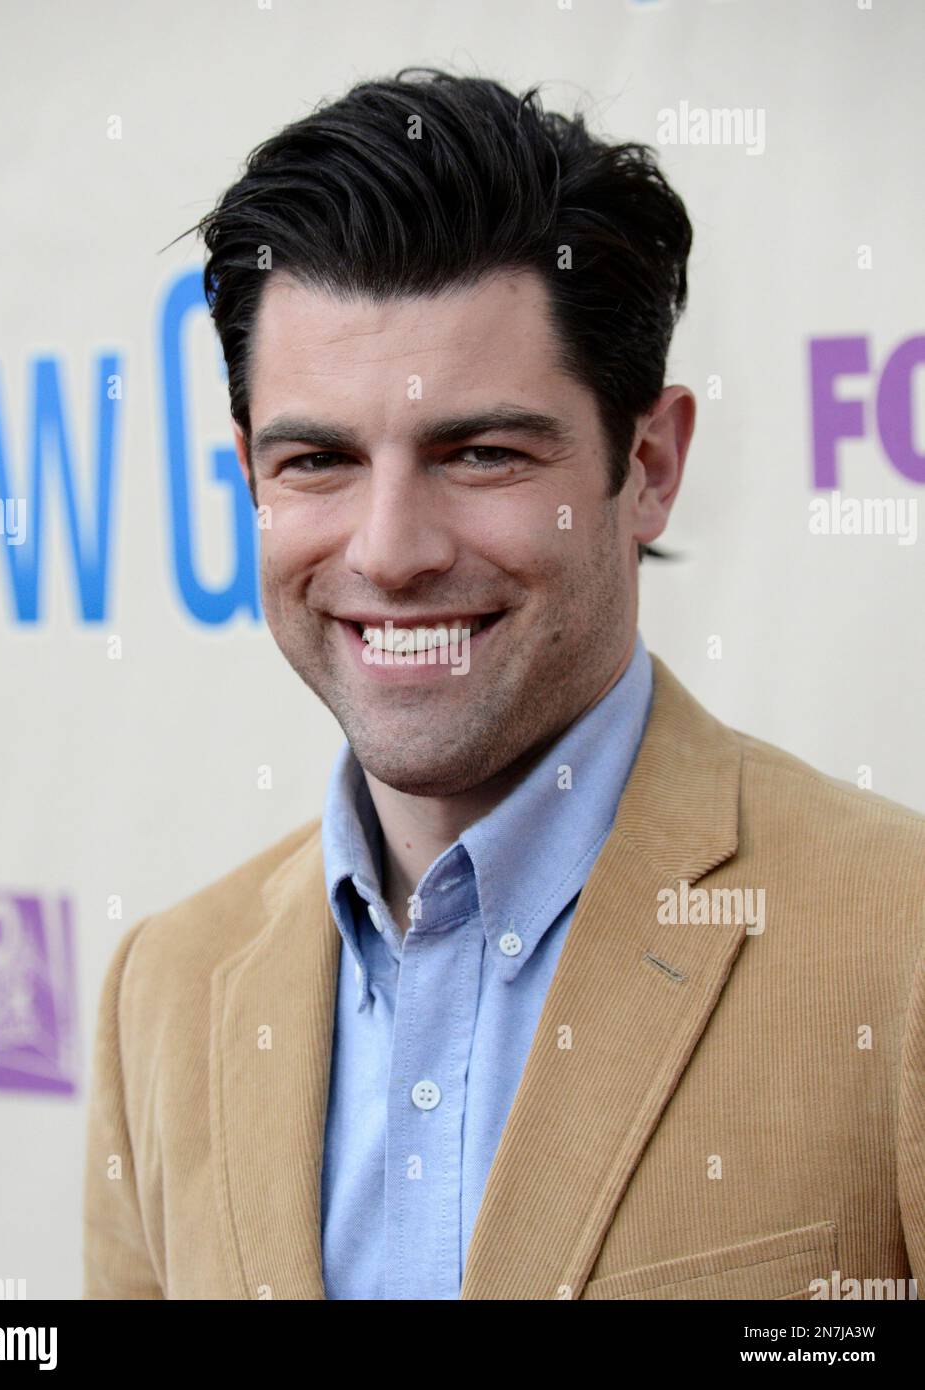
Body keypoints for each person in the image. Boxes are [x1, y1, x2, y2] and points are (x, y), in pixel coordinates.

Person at [83, 68, 925, 1301]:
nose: (388, 548)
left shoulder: (895, 944)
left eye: (478, 452)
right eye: (315, 458)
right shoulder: (161, 990)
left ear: (646, 463)